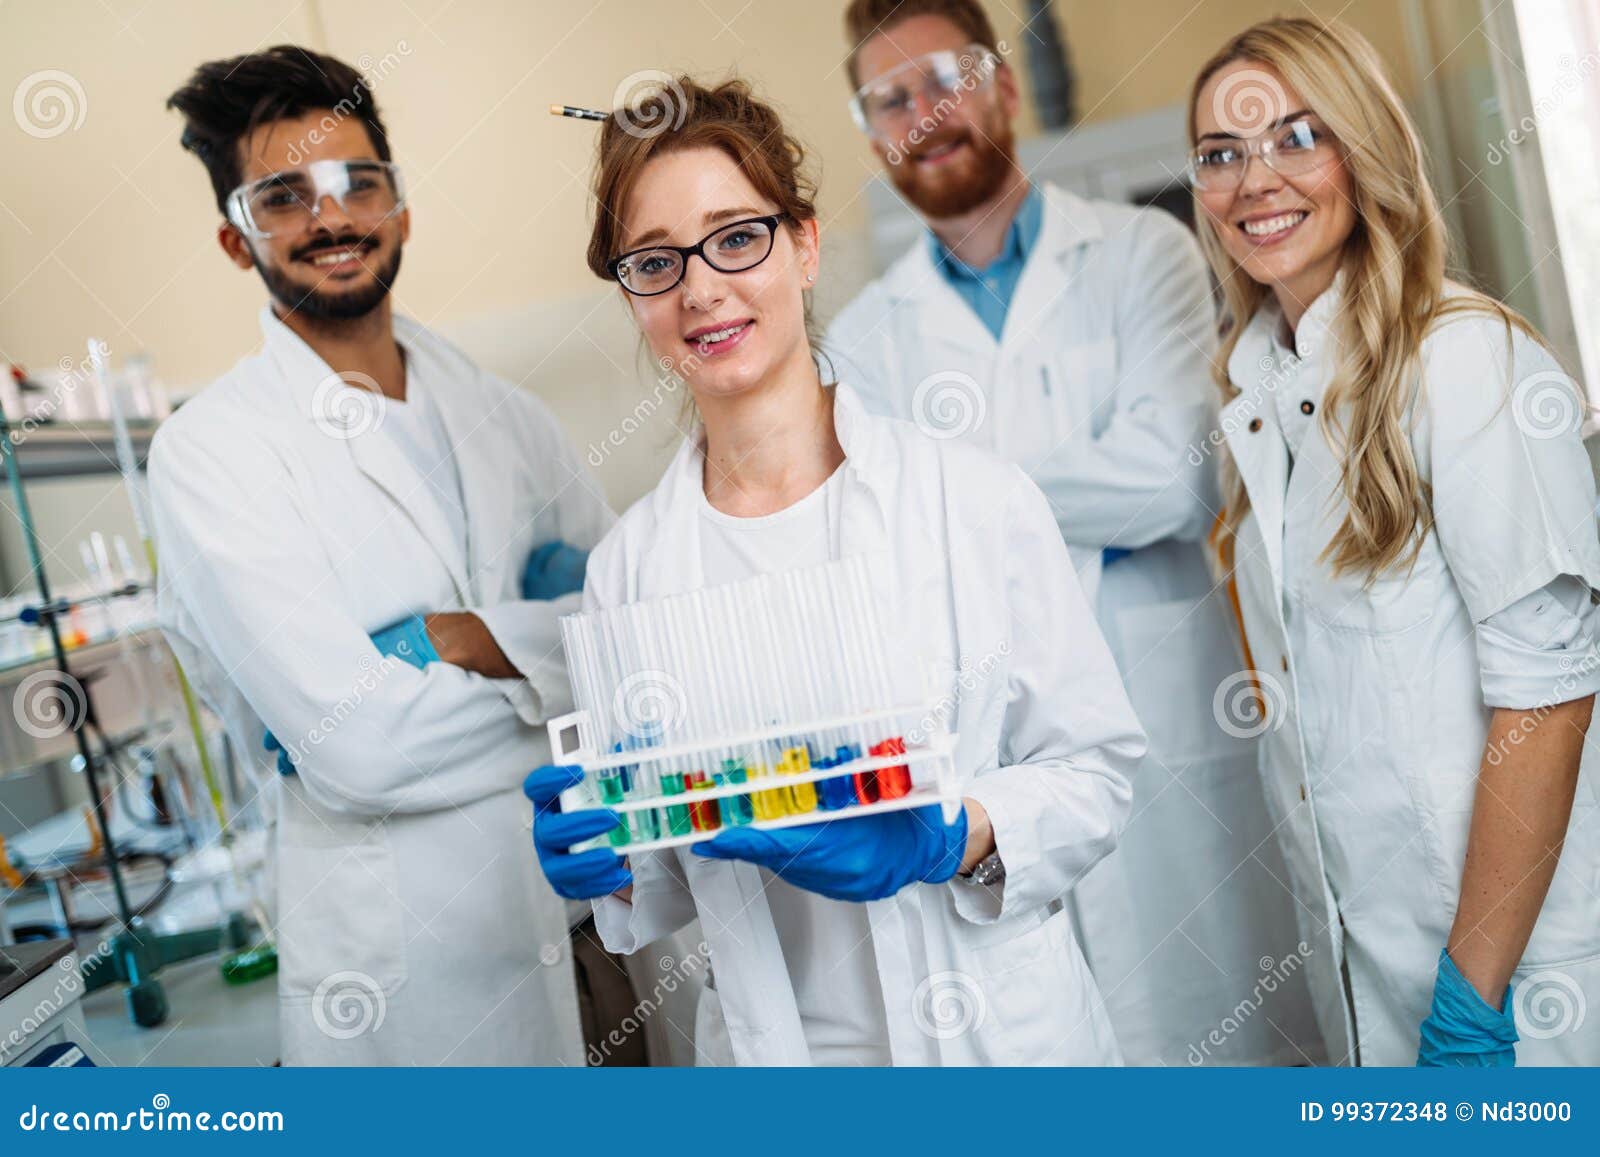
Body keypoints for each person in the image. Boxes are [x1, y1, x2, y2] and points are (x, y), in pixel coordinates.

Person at [525, 76, 1146, 1066]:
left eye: (737, 238)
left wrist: (954, 835)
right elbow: (670, 872)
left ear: (804, 245)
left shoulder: (972, 501)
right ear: (631, 293)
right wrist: (613, 864)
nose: (701, 288)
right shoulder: (630, 572)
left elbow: (1097, 770)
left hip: (1003, 1045)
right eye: (655, 260)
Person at [823, 0, 1317, 1064]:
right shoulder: (861, 343)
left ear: (1001, 84)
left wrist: (948, 494)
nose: (925, 113)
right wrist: (1042, 486)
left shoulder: (1142, 252)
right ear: (871, 134)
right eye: (891, 98)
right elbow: (884, 557)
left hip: (1176, 748)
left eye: (946, 78)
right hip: (1000, 781)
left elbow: (1175, 482)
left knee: (1234, 1043)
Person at [153, 46, 613, 1065]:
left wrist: (469, 638)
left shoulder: (508, 414)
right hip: (418, 992)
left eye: (358, 183)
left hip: (598, 933)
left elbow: (644, 626)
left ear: (400, 207)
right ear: (236, 240)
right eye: (282, 196)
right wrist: (575, 678)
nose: (331, 219)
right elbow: (356, 746)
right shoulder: (211, 454)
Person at [1190, 16, 1600, 1066]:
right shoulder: (1260, 394)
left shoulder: (1464, 365)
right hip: (1369, 982)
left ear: (1363, 150)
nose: (1253, 181)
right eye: (1220, 154)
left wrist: (1471, 999)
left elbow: (1546, 700)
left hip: (1519, 987)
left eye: (1296, 137)